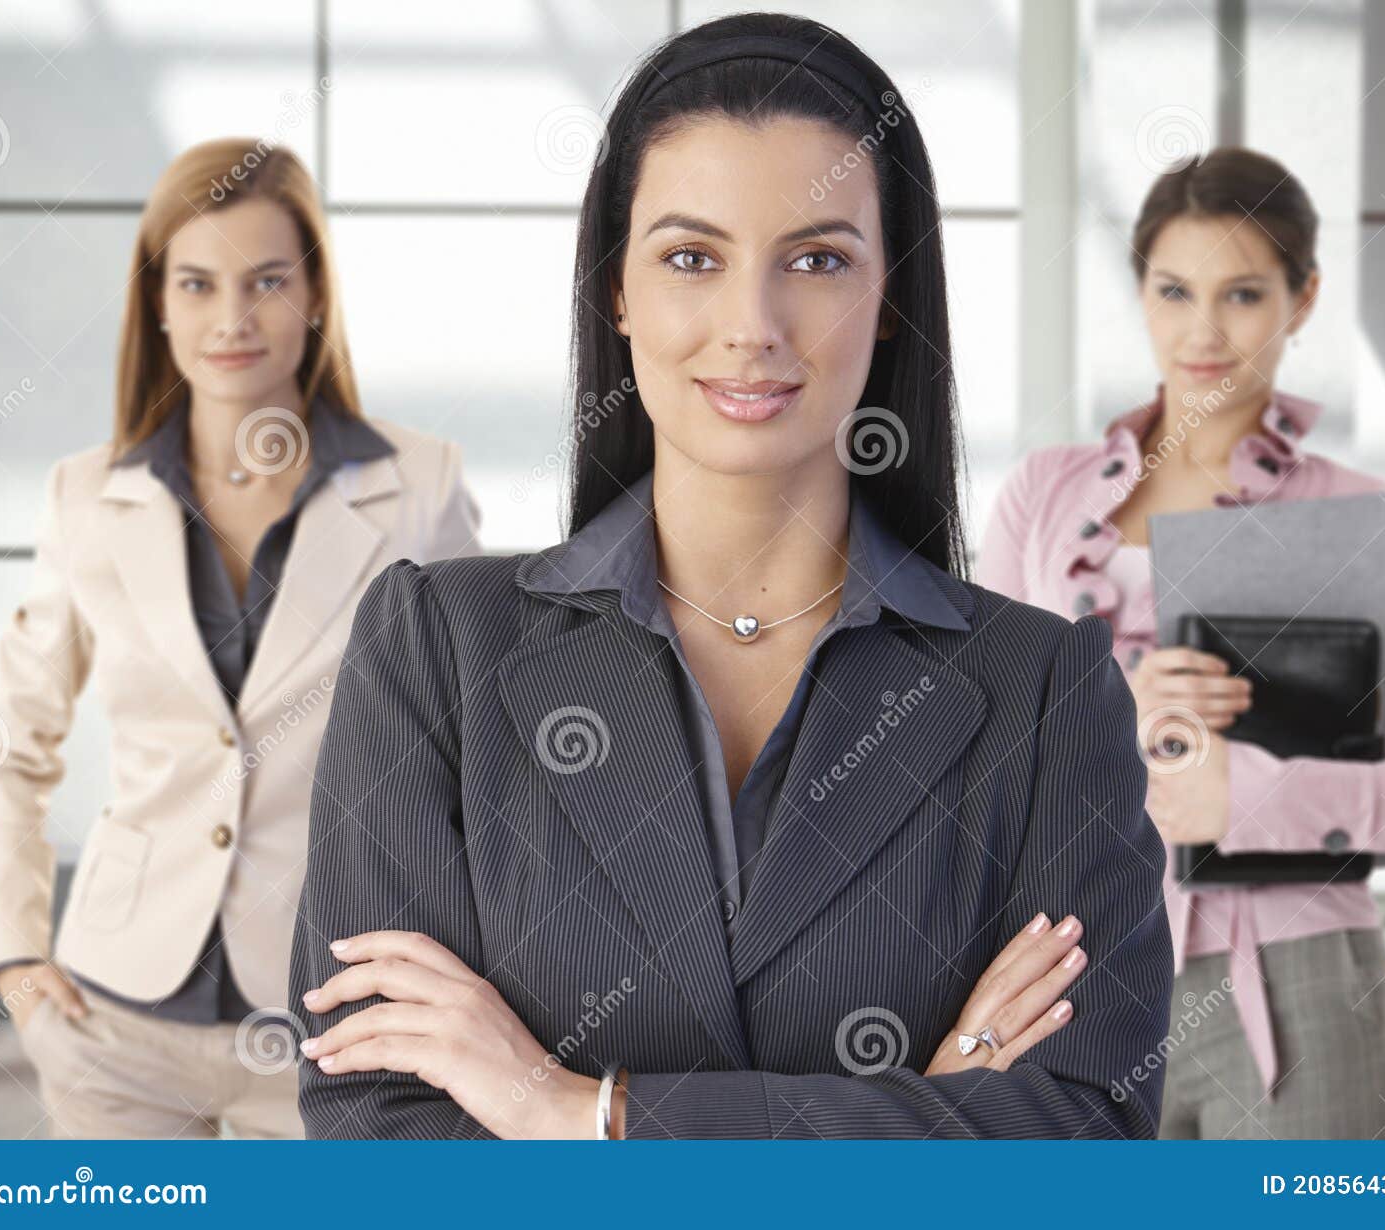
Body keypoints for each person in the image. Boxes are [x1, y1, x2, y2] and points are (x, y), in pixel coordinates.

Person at [289, 12, 1174, 1140]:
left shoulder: (1044, 691)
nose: (751, 326)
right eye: (690, 258)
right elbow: (377, 1130)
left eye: (816, 260)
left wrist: (577, 1111)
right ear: (617, 290)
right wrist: (930, 1119)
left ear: (890, 296)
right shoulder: (435, 650)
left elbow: (1077, 1136)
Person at [977, 146, 1385, 1138]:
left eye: (1242, 295)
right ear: (1138, 289)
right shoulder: (1040, 497)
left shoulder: (1359, 518)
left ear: (1301, 300)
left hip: (1301, 988)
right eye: (1173, 290)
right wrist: (1111, 704)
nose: (1202, 332)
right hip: (1070, 983)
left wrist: (1257, 793)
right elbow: (970, 761)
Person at [0, 138, 484, 1139]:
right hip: (114, 1022)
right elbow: (14, 739)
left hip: (330, 1019)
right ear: (158, 302)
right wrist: (14, 956)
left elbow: (475, 748)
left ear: (317, 294)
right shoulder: (86, 496)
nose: (232, 320)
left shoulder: (417, 487)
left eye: (267, 282)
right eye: (198, 284)